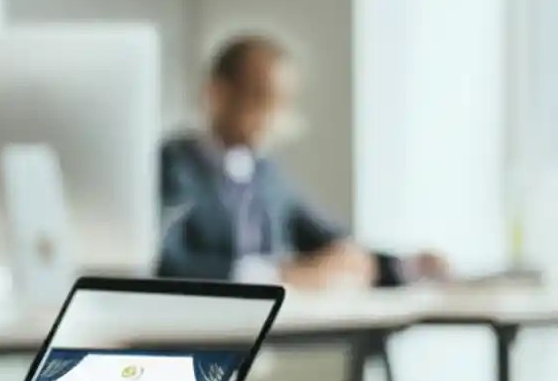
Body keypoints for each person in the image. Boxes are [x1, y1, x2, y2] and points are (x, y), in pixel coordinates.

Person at [157, 35, 449, 288]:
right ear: (217, 93)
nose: (271, 118)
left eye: (280, 104)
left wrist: (402, 266)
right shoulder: (171, 167)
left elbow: (329, 239)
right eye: (260, 99)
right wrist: (276, 275)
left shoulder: (265, 174)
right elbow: (164, 263)